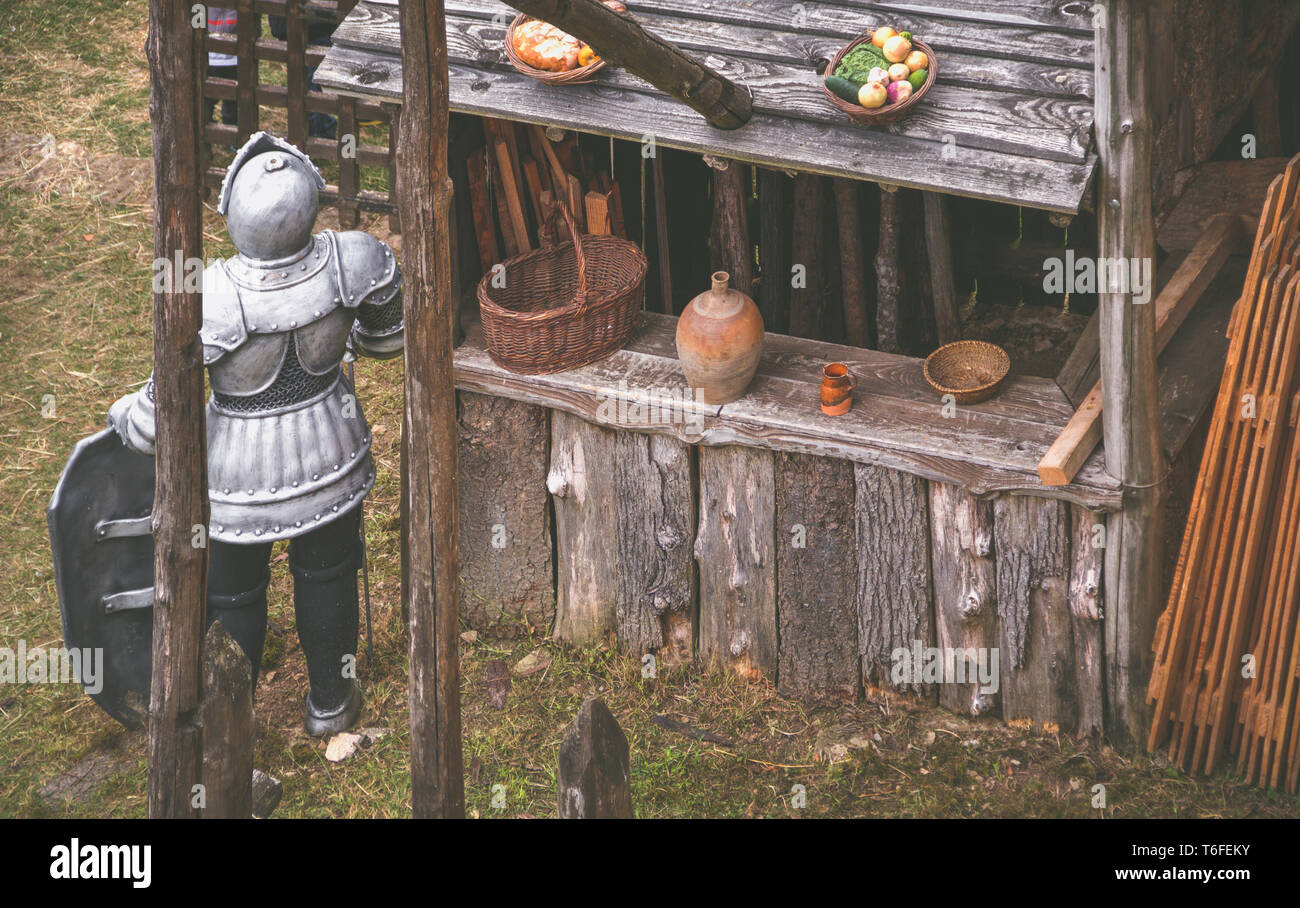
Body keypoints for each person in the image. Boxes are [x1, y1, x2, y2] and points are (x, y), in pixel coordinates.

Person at [108, 133, 404, 735]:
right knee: (328, 570)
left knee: (236, 591)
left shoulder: (209, 294)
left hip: (236, 479)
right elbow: (385, 337)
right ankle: (330, 705)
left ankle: (228, 722)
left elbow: (159, 415)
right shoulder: (353, 258)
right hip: (333, 450)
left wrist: (123, 416)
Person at [269, 12, 339, 139]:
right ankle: (319, 129)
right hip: (294, 22)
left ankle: (316, 132)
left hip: (316, 22)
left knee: (310, 84)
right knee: (303, 82)